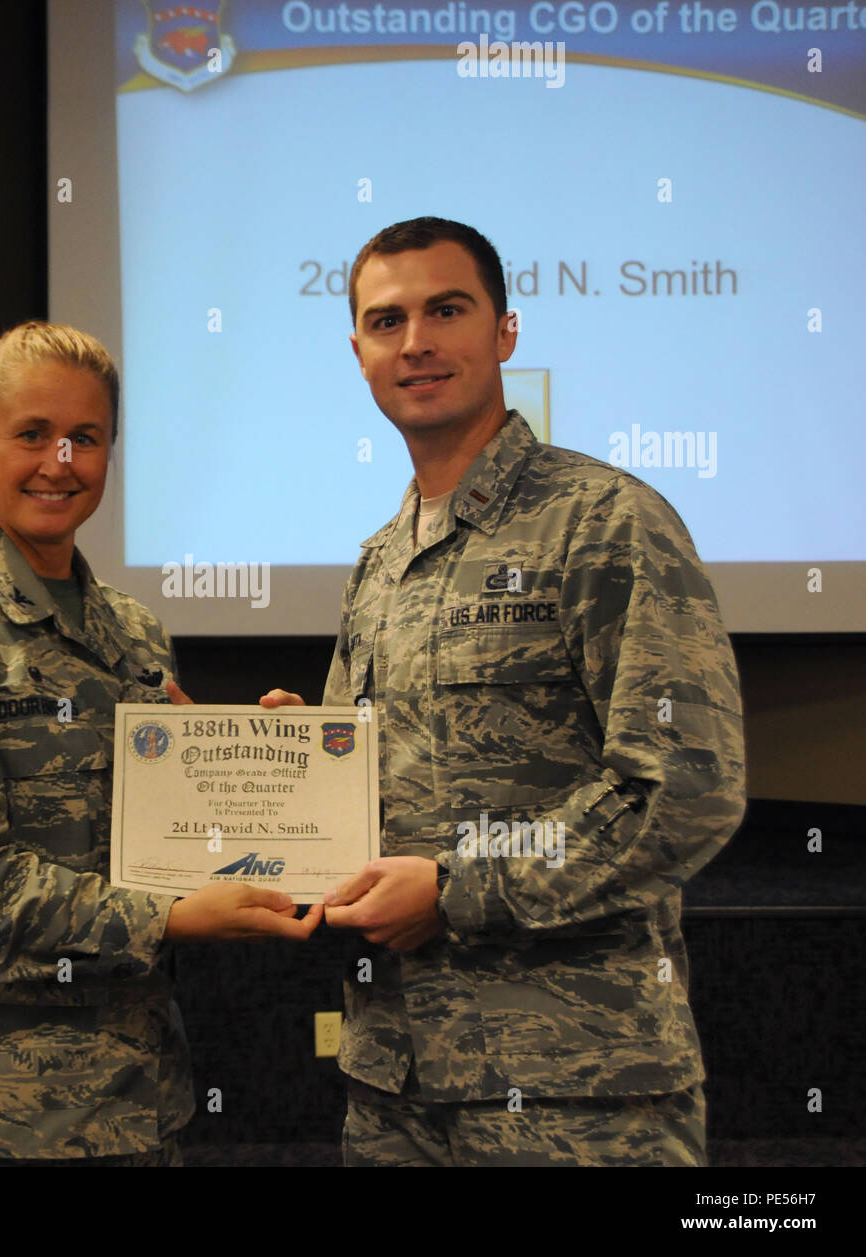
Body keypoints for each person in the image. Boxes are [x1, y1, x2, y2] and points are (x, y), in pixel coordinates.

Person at [262, 217, 746, 1166]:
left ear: (505, 332)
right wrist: (279, 768)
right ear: (358, 351)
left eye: (448, 310)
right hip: (392, 1082)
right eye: (386, 320)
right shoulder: (380, 562)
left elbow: (684, 790)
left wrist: (457, 890)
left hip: (577, 1090)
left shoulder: (607, 522)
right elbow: (372, 804)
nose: (417, 342)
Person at [0, 321, 321, 1167]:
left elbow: (166, 842)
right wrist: (172, 915)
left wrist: (273, 758)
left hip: (134, 1110)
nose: (60, 462)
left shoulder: (134, 636)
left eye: (86, 438)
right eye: (33, 434)